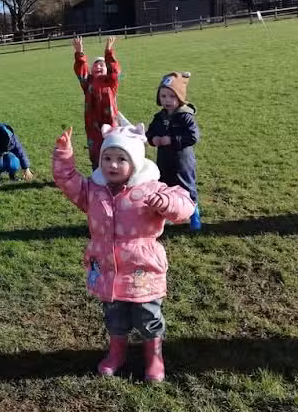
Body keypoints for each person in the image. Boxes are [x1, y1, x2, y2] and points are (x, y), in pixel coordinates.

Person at [52, 122, 194, 381]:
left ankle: (154, 357)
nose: (112, 165)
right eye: (107, 158)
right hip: (107, 268)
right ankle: (116, 353)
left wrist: (167, 203)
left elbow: (185, 204)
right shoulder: (93, 191)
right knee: (114, 315)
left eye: (121, 159)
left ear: (136, 163)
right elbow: (67, 181)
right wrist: (64, 154)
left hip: (142, 269)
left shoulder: (150, 189)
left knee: (148, 315)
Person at [146, 72, 201, 230]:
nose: (167, 100)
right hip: (164, 160)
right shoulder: (159, 117)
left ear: (180, 98)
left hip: (182, 161)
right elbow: (150, 133)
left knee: (186, 186)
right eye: (163, 96)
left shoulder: (185, 116)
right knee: (165, 186)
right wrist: (153, 139)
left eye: (171, 96)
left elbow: (193, 136)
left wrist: (172, 140)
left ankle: (194, 212)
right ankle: (169, 214)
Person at [73, 35, 120, 170]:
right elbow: (81, 69)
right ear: (91, 70)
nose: (99, 66)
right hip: (93, 125)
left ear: (107, 69)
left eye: (102, 64)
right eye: (96, 64)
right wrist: (79, 52)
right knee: (96, 150)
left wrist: (108, 52)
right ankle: (96, 171)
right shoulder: (88, 83)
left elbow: (114, 70)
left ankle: (114, 173)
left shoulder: (111, 82)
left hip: (110, 123)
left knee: (112, 148)